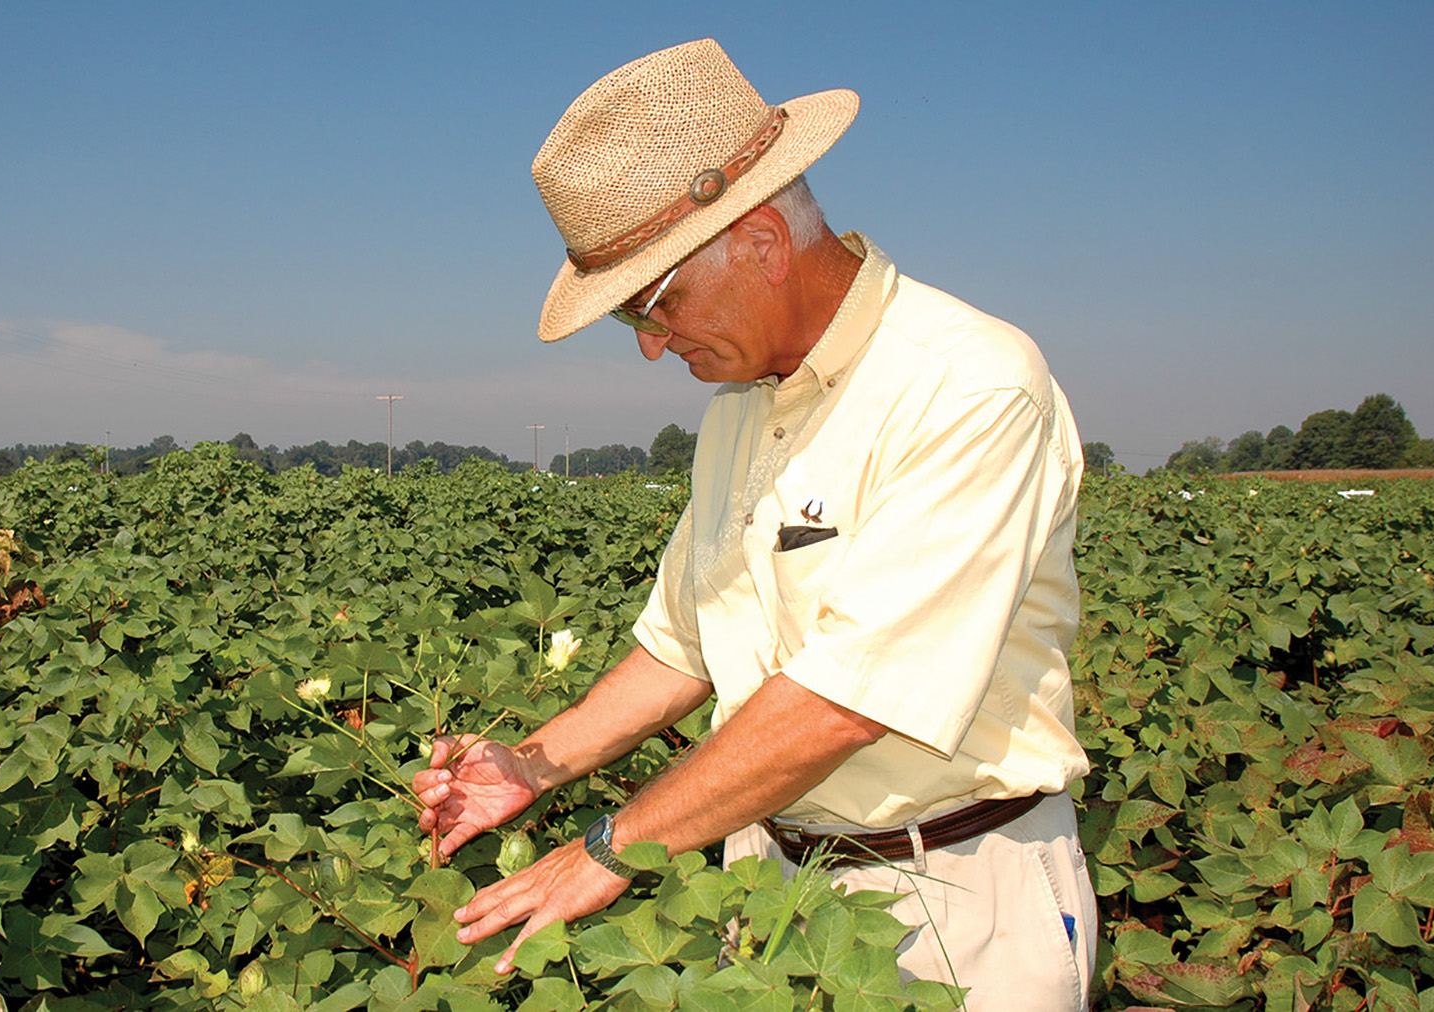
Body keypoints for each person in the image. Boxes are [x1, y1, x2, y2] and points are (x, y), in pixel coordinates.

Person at [413, 38, 1097, 1010]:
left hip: (952, 900)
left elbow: (844, 700)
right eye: (629, 324)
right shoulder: (740, 412)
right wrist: (531, 763)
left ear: (765, 245)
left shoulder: (967, 386)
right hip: (761, 885)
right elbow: (684, 648)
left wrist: (610, 846)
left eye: (654, 306)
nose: (653, 349)